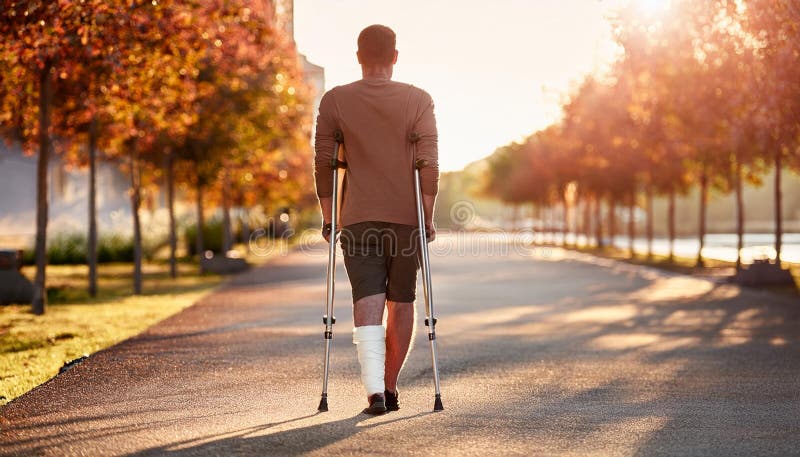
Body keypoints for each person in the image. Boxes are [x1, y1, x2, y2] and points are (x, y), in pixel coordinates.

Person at [314, 24, 439, 415]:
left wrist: (328, 217)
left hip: (357, 219)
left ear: (358, 57)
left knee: (367, 298)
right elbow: (429, 166)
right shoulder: (418, 99)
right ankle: (390, 385)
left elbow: (323, 164)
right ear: (395, 57)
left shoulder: (334, 100)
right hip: (406, 219)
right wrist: (428, 217)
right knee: (401, 302)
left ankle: (374, 391)